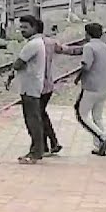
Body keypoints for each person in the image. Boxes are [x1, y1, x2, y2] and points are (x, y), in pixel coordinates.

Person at [56, 22, 106, 156]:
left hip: (91, 86)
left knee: (81, 115)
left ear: (87, 34)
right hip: (104, 86)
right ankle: (99, 146)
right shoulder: (105, 46)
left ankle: (102, 137)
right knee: (97, 117)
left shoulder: (89, 47)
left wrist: (77, 78)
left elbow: (86, 66)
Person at [5, 14, 47, 164]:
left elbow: (19, 62)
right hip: (31, 86)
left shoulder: (33, 44)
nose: (22, 30)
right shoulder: (35, 42)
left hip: (31, 87)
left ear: (34, 28)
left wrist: (10, 74)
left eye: (25, 27)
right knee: (33, 119)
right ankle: (36, 149)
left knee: (32, 120)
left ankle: (36, 152)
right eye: (21, 27)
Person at [36, 26, 65, 156]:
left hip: (37, 87)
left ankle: (50, 144)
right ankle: (50, 144)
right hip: (48, 85)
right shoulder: (51, 42)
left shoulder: (33, 44)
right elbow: (67, 50)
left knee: (39, 115)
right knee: (41, 114)